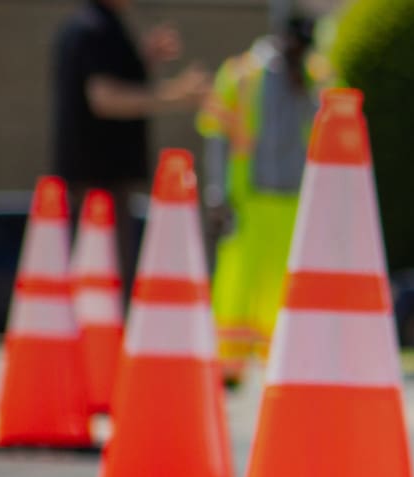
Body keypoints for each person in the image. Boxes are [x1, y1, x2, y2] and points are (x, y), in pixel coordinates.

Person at [199, 15, 334, 386]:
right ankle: (228, 363)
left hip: (297, 201)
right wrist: (216, 193)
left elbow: (336, 127)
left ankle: (283, 359)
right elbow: (217, 137)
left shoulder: (317, 76)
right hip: (249, 199)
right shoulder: (243, 75)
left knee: (287, 285)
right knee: (237, 283)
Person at [51, 0, 208, 281]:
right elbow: (105, 99)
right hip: (97, 176)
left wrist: (144, 58)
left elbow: (110, 77)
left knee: (103, 274)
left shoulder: (99, 25)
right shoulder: (94, 28)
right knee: (103, 276)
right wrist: (174, 95)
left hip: (100, 173)